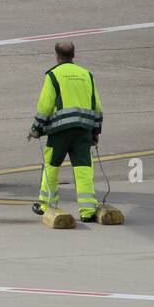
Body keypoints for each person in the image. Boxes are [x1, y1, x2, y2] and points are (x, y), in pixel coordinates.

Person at [28, 41, 103, 221]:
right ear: (73, 55)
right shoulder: (87, 75)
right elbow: (97, 106)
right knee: (84, 169)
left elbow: (45, 106)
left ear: (57, 56)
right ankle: (87, 211)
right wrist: (95, 131)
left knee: (51, 167)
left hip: (60, 132)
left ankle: (46, 204)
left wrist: (36, 128)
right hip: (83, 131)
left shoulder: (53, 75)